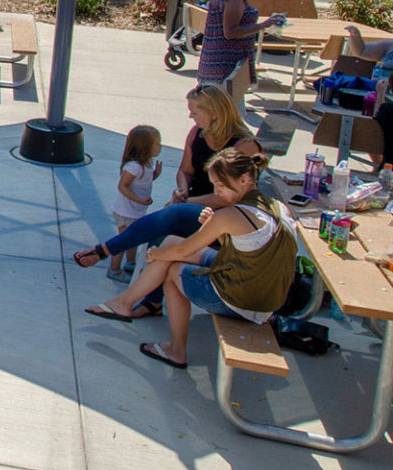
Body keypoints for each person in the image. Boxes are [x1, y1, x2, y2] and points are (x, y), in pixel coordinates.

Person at [85, 148, 297, 370]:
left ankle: (176, 351)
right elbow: (251, 249)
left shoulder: (232, 214)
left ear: (244, 179)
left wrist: (153, 254)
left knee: (173, 271)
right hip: (264, 293)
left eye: (221, 185)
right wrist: (216, 228)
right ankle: (123, 303)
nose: (217, 192)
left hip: (245, 302)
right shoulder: (276, 207)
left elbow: (182, 252)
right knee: (171, 241)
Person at [71, 84, 261, 314]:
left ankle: (106, 250)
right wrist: (182, 189)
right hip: (194, 207)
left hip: (225, 217)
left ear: (213, 112)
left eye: (194, 111)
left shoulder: (244, 145)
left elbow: (230, 197)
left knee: (174, 215)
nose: (190, 115)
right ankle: (151, 302)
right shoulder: (197, 133)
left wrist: (186, 203)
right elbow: (185, 170)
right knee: (161, 235)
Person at [197, 0, 286, 86]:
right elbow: (230, 32)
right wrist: (264, 25)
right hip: (225, 69)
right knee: (228, 107)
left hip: (212, 64)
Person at [106, 126, 163, 282]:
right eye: (157, 143)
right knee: (123, 241)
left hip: (136, 211)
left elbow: (142, 184)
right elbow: (122, 186)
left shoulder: (147, 164)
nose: (160, 146)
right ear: (144, 147)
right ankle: (114, 269)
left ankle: (130, 263)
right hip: (126, 212)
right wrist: (140, 200)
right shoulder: (134, 167)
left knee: (134, 238)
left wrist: (154, 175)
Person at [342, 25, 393, 173]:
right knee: (368, 119)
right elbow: (362, 50)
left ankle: (382, 166)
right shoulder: (389, 45)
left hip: (384, 103)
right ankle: (379, 165)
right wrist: (354, 35)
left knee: (374, 121)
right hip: (381, 95)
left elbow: (379, 113)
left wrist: (381, 96)